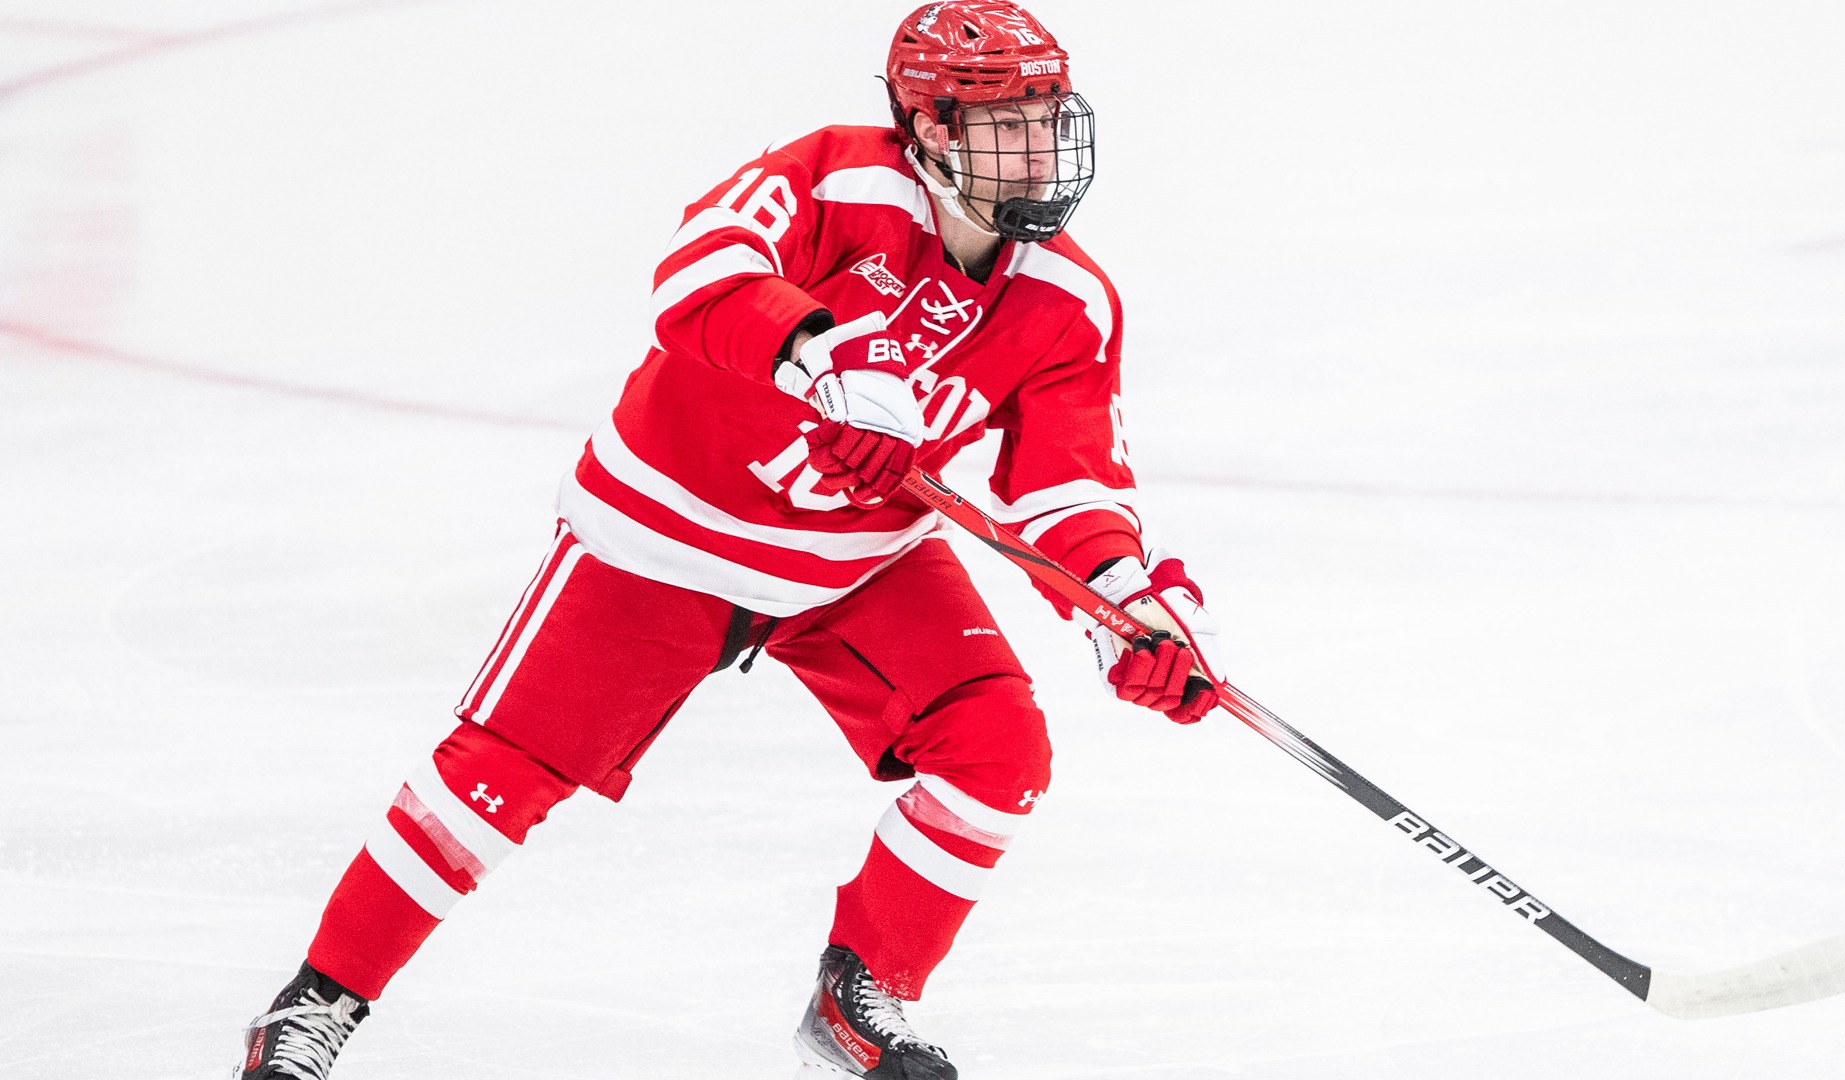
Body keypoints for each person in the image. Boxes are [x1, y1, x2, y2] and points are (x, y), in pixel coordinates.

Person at [233, 3, 1222, 1077]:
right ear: (929, 126)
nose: (1041, 145)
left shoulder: (1070, 301)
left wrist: (1127, 601)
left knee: (997, 746)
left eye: (1048, 114)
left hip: (854, 568)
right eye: (1007, 119)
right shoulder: (836, 180)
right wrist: (824, 359)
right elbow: (699, 269)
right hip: (666, 538)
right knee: (500, 774)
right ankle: (314, 1006)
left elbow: (1067, 486)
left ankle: (861, 1002)